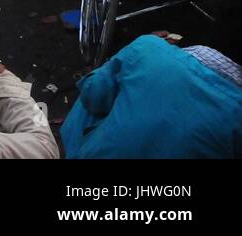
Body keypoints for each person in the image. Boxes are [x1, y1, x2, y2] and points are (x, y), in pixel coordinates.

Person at [60, 34, 242, 158]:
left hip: (89, 155)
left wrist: (142, 48)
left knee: (102, 82)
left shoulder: (149, 47)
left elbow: (93, 94)